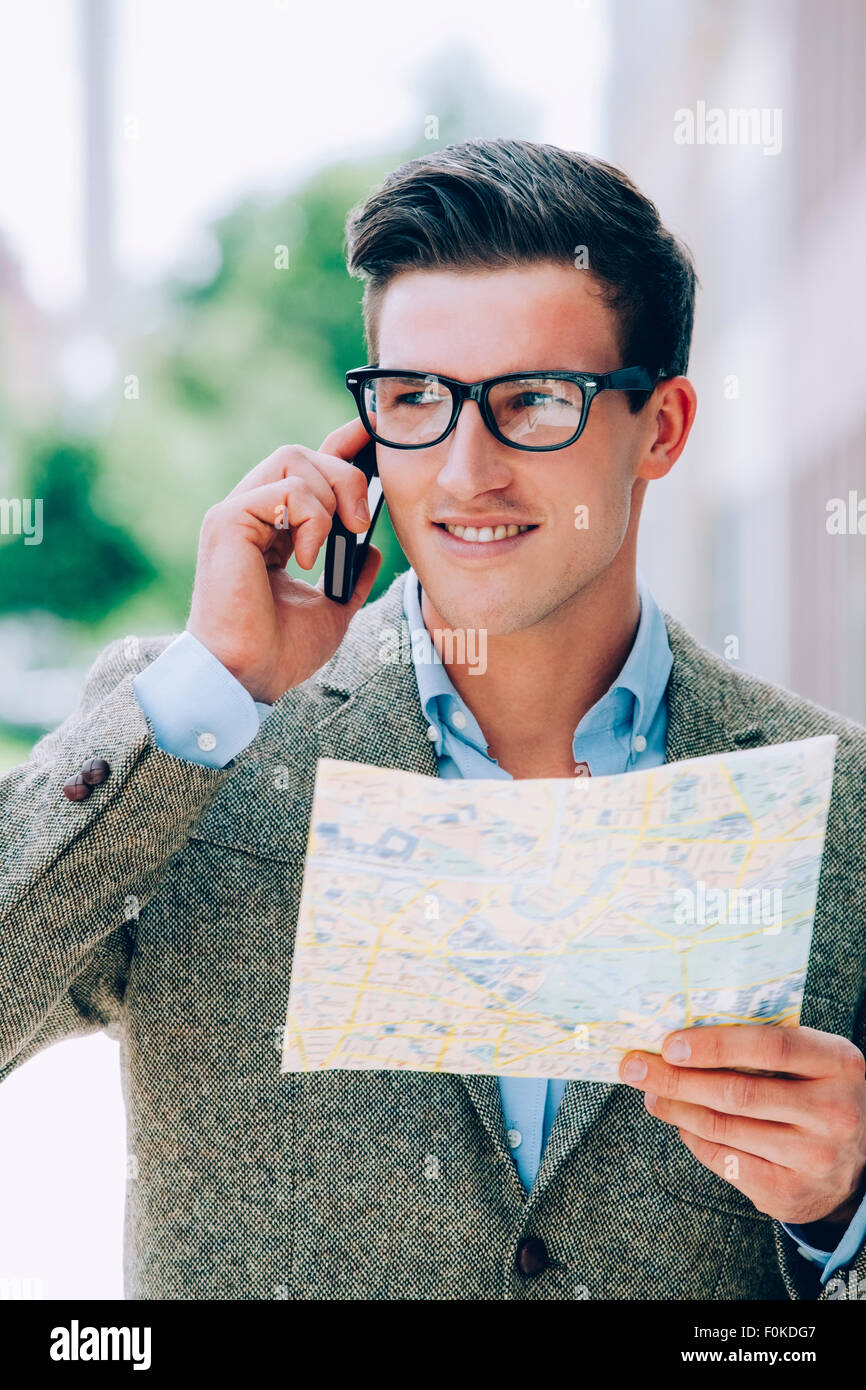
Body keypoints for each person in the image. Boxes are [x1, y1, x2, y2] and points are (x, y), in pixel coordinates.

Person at [2, 138, 864, 1302]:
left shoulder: (837, 801)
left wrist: (841, 1213)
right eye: (413, 399)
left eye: (533, 402)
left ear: (659, 428)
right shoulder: (195, 745)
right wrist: (217, 687)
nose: (463, 473)